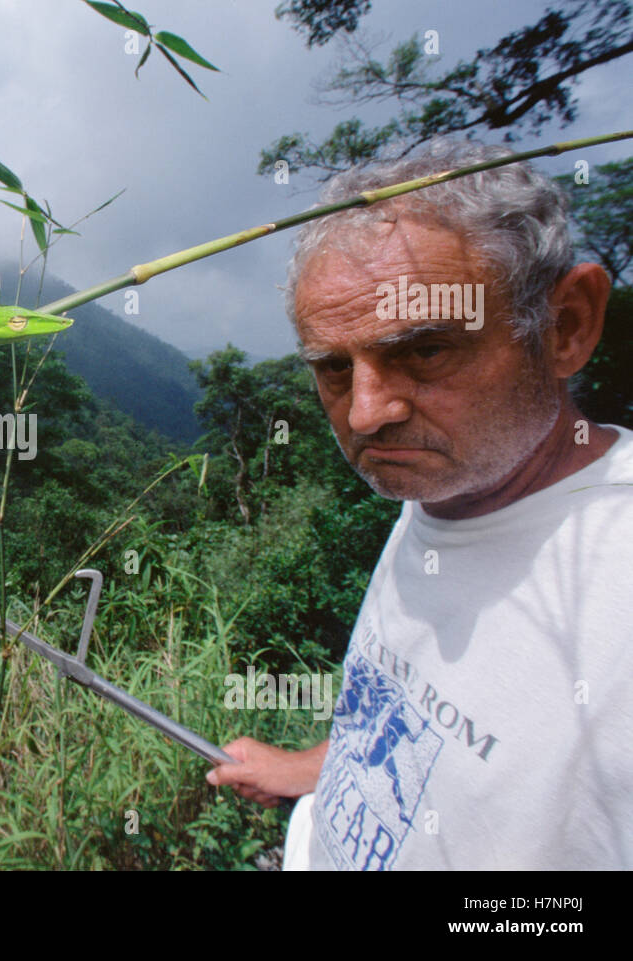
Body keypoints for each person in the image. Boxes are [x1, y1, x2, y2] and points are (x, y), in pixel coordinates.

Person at [205, 139, 633, 869]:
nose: (366, 411)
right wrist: (314, 765)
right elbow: (416, 712)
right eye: (335, 367)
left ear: (565, 325)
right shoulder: (452, 487)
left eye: (426, 350)